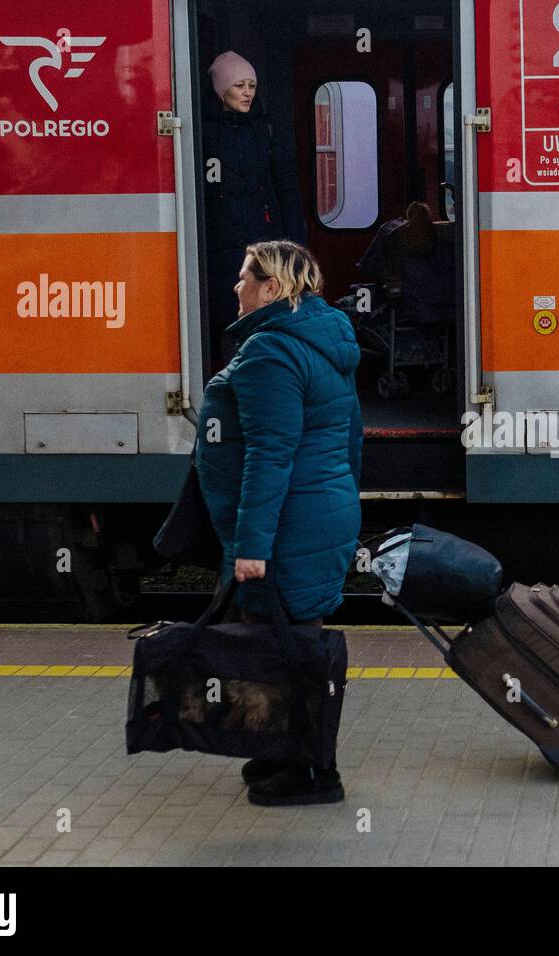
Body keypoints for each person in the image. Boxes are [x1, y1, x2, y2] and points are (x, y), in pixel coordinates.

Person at [196, 240, 363, 804]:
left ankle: (313, 774)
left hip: (289, 523)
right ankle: (279, 753)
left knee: (285, 648)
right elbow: (351, 438)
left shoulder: (270, 350)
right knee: (287, 639)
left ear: (271, 288)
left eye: (244, 277)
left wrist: (252, 545)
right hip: (319, 511)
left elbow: (270, 454)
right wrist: (339, 502)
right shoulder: (323, 339)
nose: (236, 287)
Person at [202, 51, 306, 368]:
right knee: (226, 317)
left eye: (252, 85)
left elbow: (287, 186)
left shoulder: (266, 129)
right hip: (220, 242)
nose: (247, 93)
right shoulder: (203, 131)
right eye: (239, 86)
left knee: (264, 313)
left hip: (264, 238)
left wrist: (295, 243)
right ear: (221, 90)